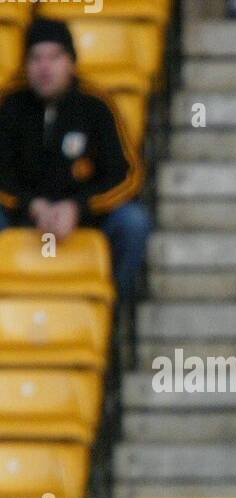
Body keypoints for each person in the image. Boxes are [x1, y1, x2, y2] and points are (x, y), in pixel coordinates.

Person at [0, 19, 150, 299]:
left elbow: (127, 176)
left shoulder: (96, 105)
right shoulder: (9, 105)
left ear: (71, 62)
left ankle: (114, 314)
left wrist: (78, 207)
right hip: (24, 214)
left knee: (133, 222)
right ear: (26, 64)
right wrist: (31, 205)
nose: (45, 67)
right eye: (36, 58)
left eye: (54, 57)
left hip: (87, 217)